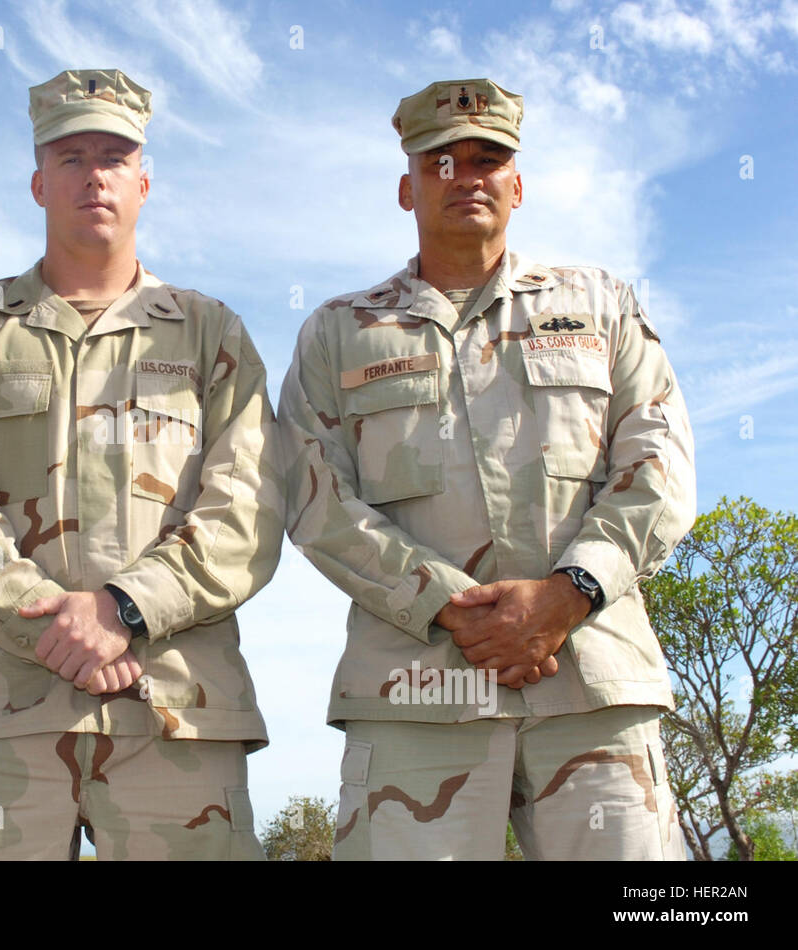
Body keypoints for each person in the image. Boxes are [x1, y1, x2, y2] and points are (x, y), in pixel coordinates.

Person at [278, 78, 696, 860]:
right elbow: (313, 498)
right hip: (417, 691)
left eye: (488, 158)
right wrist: (453, 606)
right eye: (440, 161)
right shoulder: (339, 332)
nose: (465, 175)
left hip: (592, 680)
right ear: (407, 187)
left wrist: (567, 597)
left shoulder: (601, 304)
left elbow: (659, 463)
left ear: (518, 183)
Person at [0, 68, 283, 861]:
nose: (94, 174)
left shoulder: (211, 334)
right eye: (72, 156)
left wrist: (123, 611)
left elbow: (250, 508)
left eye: (114, 156)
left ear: (144, 181)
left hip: (174, 707)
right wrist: (52, 624)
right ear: (39, 182)